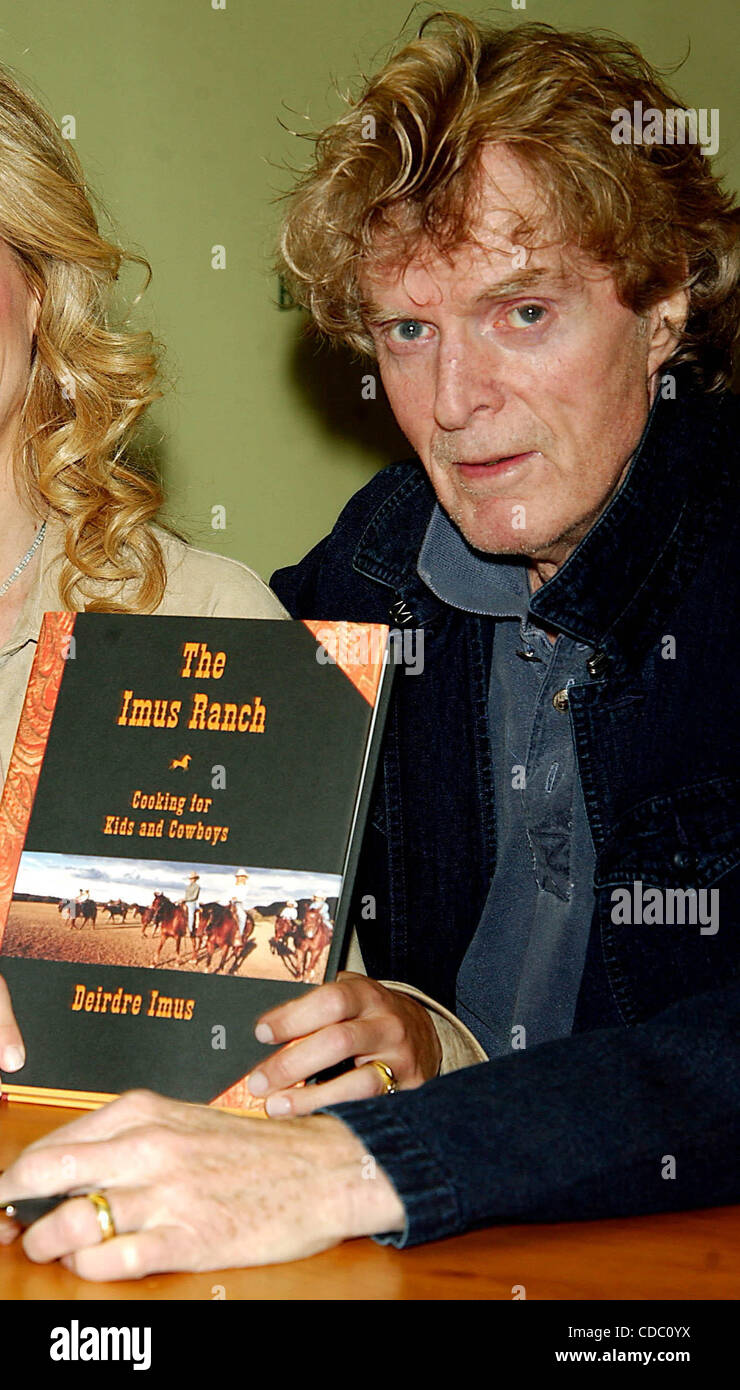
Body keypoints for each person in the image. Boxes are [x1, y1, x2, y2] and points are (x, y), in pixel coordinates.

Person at [1, 14, 738, 1281]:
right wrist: (415, 1040)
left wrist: (373, 1159)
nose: (454, 398)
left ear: (665, 302)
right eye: (406, 330)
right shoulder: (369, 574)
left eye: (521, 311)